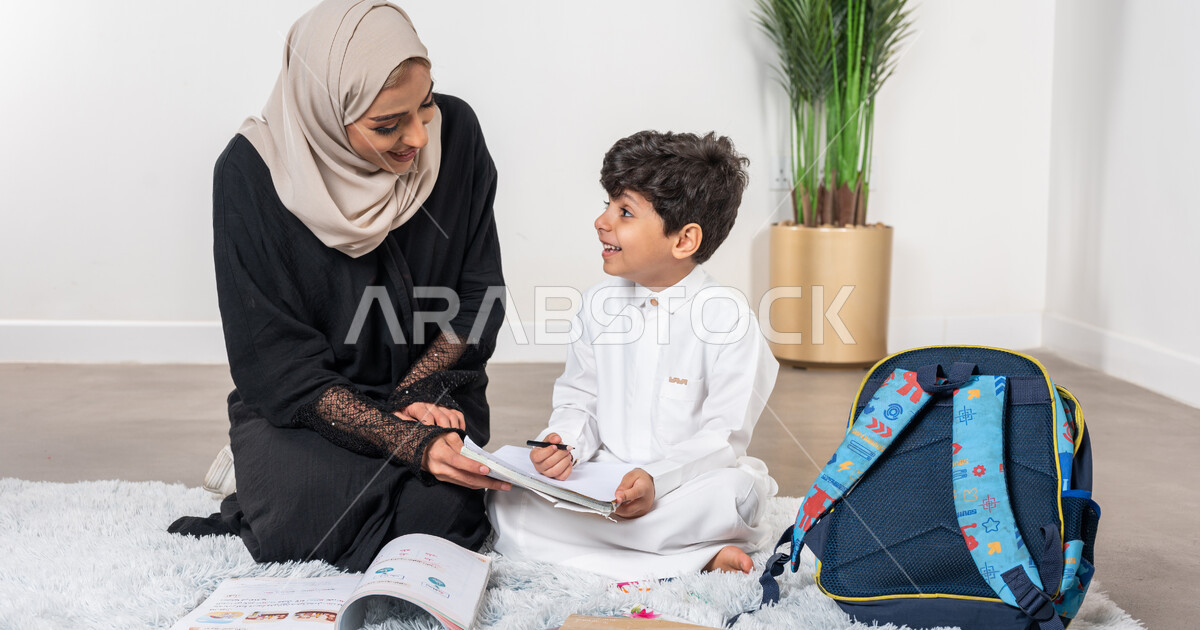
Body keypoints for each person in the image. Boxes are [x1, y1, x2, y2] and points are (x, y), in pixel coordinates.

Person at [168, 0, 511, 572]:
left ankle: (269, 490)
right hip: (315, 408)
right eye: (386, 124)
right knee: (303, 521)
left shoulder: (458, 136)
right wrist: (402, 441)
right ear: (326, 111)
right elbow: (275, 365)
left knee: (448, 521)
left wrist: (414, 402)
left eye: (423, 107)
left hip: (434, 390)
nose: (417, 139)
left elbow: (479, 300)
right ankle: (258, 479)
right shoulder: (249, 174)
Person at [487, 130, 780, 579]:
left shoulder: (730, 321)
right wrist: (563, 443)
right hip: (605, 480)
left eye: (624, 211)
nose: (601, 221)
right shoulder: (597, 304)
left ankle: (651, 551)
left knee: (735, 496)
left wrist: (655, 481)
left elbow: (722, 441)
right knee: (507, 499)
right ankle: (693, 558)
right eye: (608, 205)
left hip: (685, 485)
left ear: (684, 240)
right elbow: (578, 398)